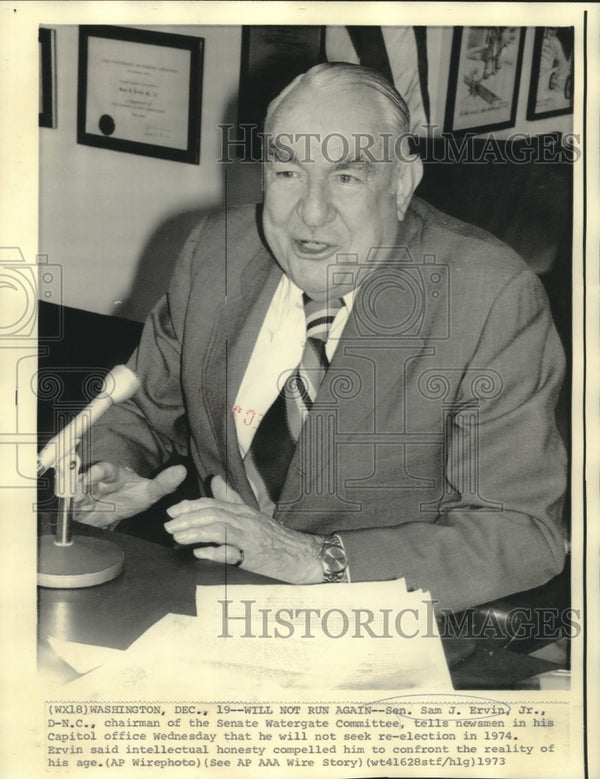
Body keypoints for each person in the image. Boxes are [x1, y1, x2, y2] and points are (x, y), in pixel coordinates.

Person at [75, 63, 567, 613]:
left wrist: (314, 559)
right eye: (287, 173)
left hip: (382, 631)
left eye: (347, 177)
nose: (310, 213)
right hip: (211, 611)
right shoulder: (220, 252)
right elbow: (139, 408)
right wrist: (106, 473)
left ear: (401, 184)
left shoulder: (490, 295)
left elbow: (522, 533)